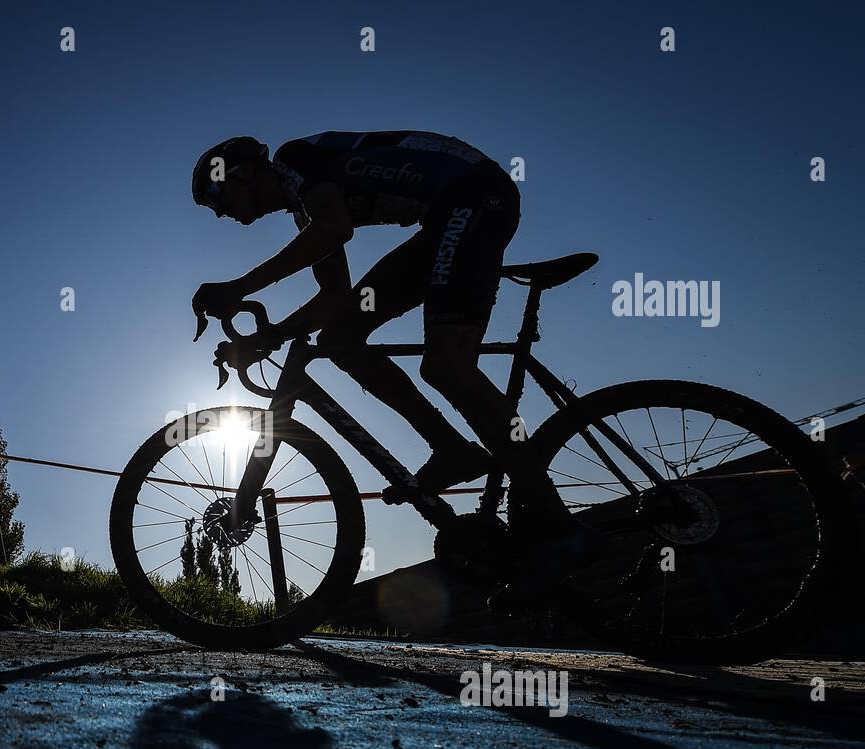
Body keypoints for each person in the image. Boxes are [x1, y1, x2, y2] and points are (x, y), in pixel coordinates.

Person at [189, 131, 577, 549]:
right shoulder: (307, 211)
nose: (217, 212)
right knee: (340, 336)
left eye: (215, 194)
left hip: (476, 198)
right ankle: (451, 449)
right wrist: (272, 336)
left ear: (245, 171)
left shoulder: (294, 160)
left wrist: (240, 287)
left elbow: (335, 229)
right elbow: (334, 298)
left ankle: (557, 525)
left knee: (447, 367)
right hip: (449, 216)